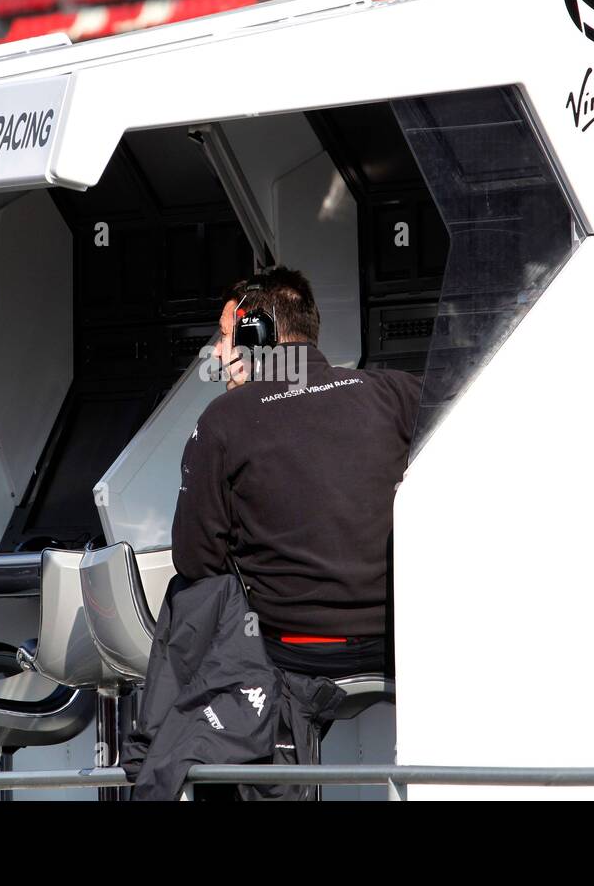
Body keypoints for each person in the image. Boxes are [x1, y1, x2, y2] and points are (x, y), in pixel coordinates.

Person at [172, 267, 421, 681]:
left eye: (224, 335)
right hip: (406, 644)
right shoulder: (398, 392)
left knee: (183, 595)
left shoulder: (224, 418)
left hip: (293, 657)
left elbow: (196, 559)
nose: (216, 352)